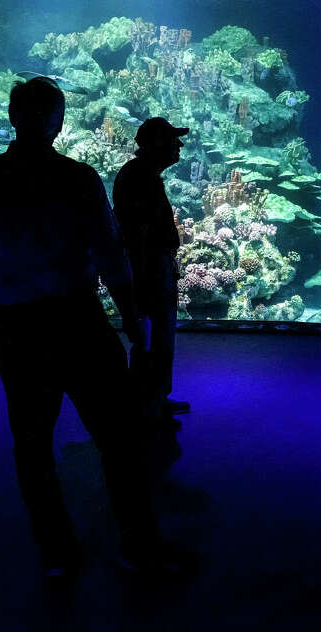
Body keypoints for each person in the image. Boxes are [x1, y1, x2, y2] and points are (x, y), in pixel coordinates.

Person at [0, 77, 174, 580]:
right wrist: (131, 317)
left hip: (18, 326)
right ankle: (138, 545)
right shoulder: (77, 178)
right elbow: (110, 255)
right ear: (60, 122)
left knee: (32, 444)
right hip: (78, 320)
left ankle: (57, 554)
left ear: (11, 117)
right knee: (118, 435)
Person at [112, 117, 190, 419]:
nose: (178, 145)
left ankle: (154, 399)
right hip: (150, 273)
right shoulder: (141, 178)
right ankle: (149, 407)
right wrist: (143, 279)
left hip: (152, 269)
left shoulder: (142, 174)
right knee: (154, 339)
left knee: (155, 338)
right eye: (172, 140)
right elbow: (138, 234)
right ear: (157, 144)